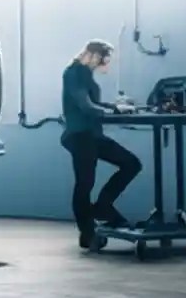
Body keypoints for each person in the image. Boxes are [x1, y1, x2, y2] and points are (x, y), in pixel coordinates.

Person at [59, 39, 142, 248]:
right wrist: (113, 110)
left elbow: (93, 103)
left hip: (93, 135)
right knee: (85, 183)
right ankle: (87, 232)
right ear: (95, 55)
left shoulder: (85, 74)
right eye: (105, 59)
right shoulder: (74, 73)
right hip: (80, 135)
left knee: (131, 164)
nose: (106, 64)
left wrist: (115, 106)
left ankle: (103, 206)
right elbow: (85, 106)